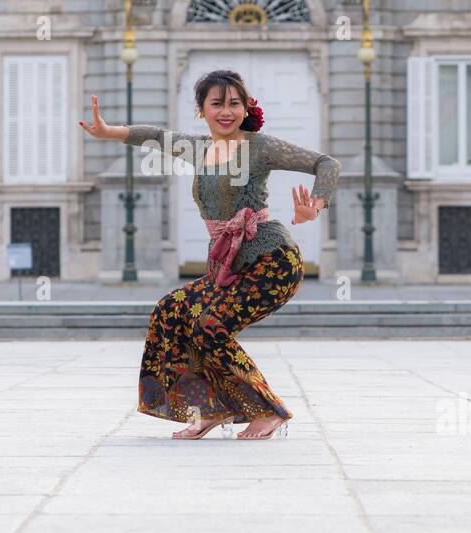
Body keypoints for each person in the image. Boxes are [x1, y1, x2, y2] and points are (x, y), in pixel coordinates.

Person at [79, 69, 340, 440]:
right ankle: (208, 408)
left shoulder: (259, 147)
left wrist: (315, 206)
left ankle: (266, 410)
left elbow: (326, 163)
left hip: (273, 260)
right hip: (232, 264)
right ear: (202, 109)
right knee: (173, 310)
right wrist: (109, 133)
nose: (226, 111)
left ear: (246, 107)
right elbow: (156, 136)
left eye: (235, 103)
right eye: (216, 103)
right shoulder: (198, 148)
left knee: (210, 325)